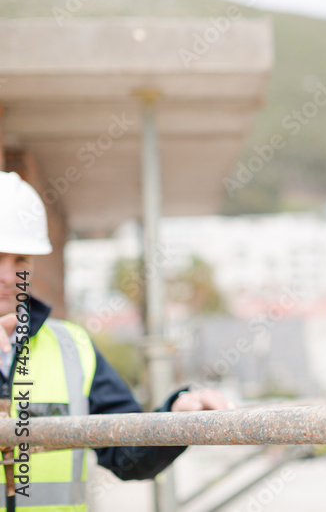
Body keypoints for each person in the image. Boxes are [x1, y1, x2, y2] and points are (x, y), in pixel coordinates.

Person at [0, 170, 231, 511]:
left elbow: (127, 456)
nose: (8, 276)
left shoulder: (72, 347)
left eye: (20, 259)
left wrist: (176, 421)